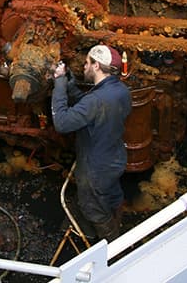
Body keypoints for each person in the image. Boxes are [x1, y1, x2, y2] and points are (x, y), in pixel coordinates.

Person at [51, 44, 132, 241]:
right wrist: (71, 86)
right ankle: (116, 219)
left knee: (93, 208)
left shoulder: (95, 101)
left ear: (97, 66)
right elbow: (92, 108)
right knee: (112, 195)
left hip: (94, 167)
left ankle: (112, 247)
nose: (84, 67)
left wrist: (60, 83)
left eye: (88, 63)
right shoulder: (120, 90)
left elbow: (61, 123)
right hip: (115, 158)